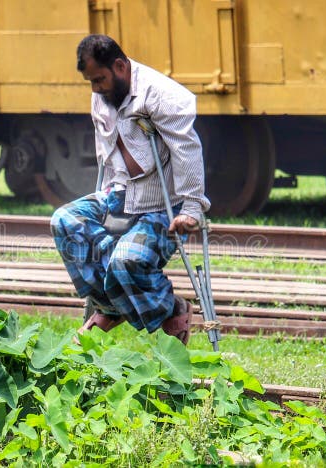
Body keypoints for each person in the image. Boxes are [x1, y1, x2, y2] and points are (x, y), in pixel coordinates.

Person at [50, 34, 210, 345]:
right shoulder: (103, 94)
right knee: (64, 221)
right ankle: (112, 305)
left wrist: (192, 209)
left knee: (125, 262)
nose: (95, 88)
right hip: (120, 194)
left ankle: (171, 309)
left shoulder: (161, 95)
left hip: (164, 205)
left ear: (120, 66)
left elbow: (186, 149)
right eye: (90, 82)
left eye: (99, 79)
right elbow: (107, 149)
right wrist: (111, 192)